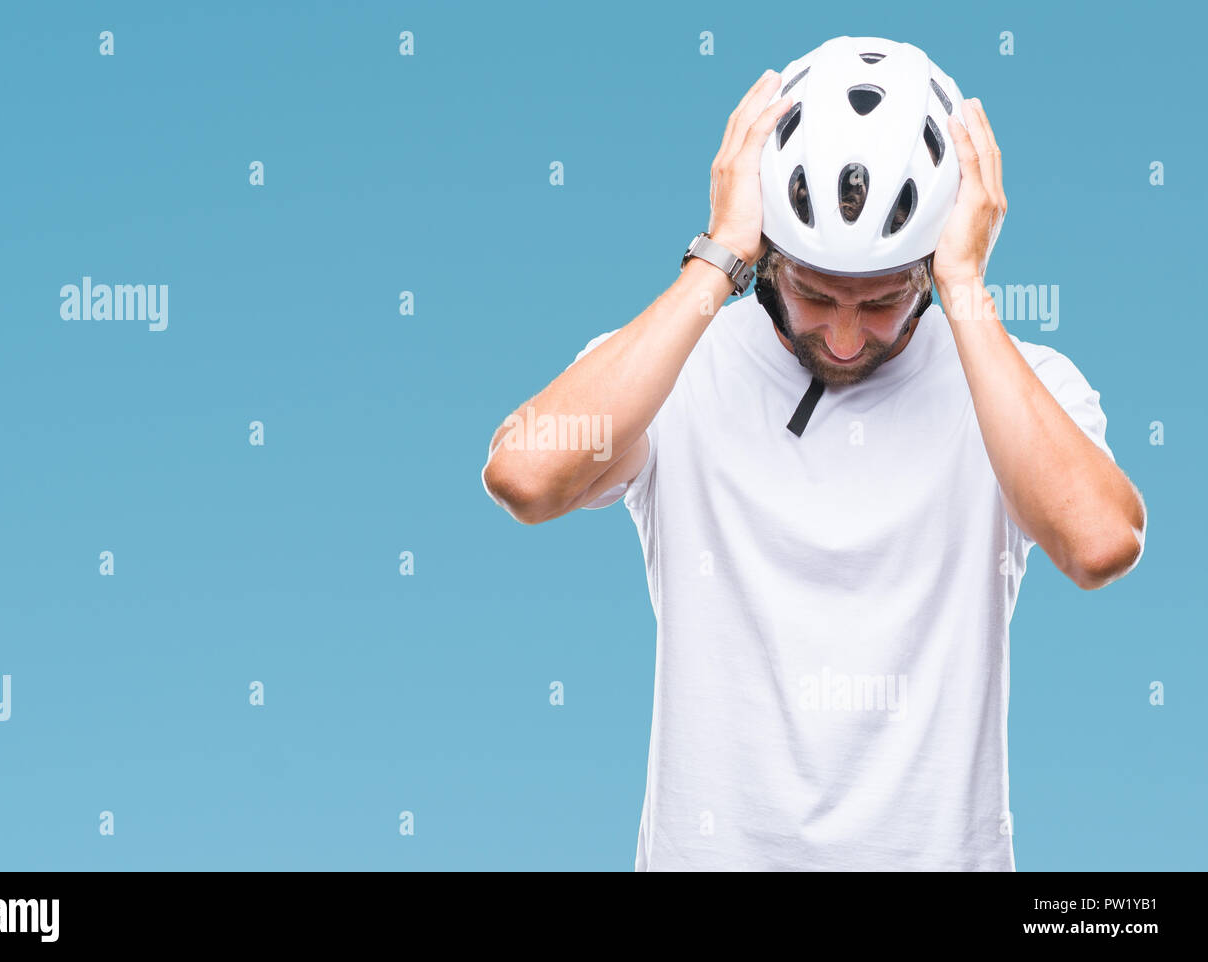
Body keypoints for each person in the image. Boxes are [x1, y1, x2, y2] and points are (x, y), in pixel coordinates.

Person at [480, 36, 1147, 871]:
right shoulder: (679, 368)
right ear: (771, 260)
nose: (839, 336)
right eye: (814, 293)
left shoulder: (1016, 382)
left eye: (880, 301)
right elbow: (524, 475)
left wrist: (969, 292)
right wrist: (715, 257)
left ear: (932, 266)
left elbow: (1099, 544)